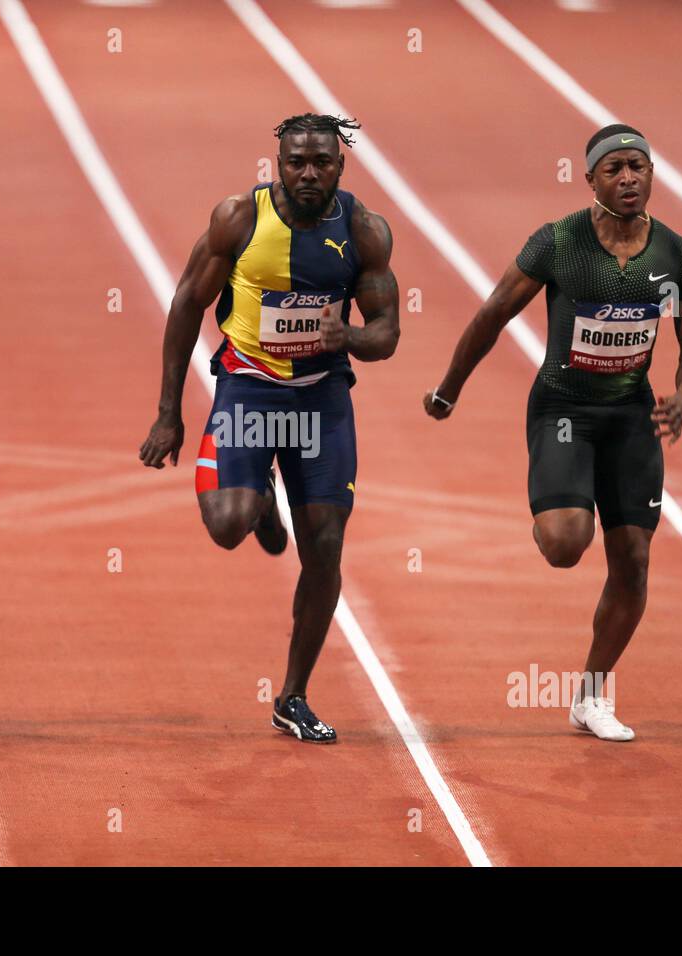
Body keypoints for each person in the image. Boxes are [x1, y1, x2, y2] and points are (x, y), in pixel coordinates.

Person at [425, 124, 682, 741]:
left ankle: (591, 697)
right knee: (564, 544)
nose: (629, 178)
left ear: (653, 174)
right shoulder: (558, 243)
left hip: (632, 417)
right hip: (563, 410)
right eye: (615, 169)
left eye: (639, 167)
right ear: (592, 180)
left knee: (633, 561)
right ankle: (561, 493)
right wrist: (449, 389)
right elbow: (493, 314)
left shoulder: (678, 256)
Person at [139, 113, 400, 743]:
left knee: (327, 549)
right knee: (227, 525)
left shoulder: (364, 232)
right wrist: (169, 410)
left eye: (322, 163)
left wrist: (353, 336)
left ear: (342, 166)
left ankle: (293, 696)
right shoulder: (239, 219)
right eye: (295, 162)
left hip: (320, 401)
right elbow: (186, 304)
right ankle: (258, 507)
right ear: (276, 164)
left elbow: (387, 331)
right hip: (250, 392)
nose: (308, 173)